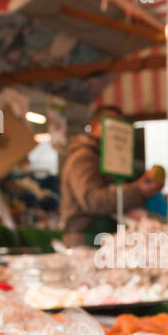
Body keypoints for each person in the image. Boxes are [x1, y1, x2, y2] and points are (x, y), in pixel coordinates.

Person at [59, 104, 161, 247]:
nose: (116, 131)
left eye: (120, 125)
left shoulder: (108, 160)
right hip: (84, 239)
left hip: (105, 236)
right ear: (94, 126)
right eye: (111, 124)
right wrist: (138, 190)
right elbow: (93, 200)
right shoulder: (83, 157)